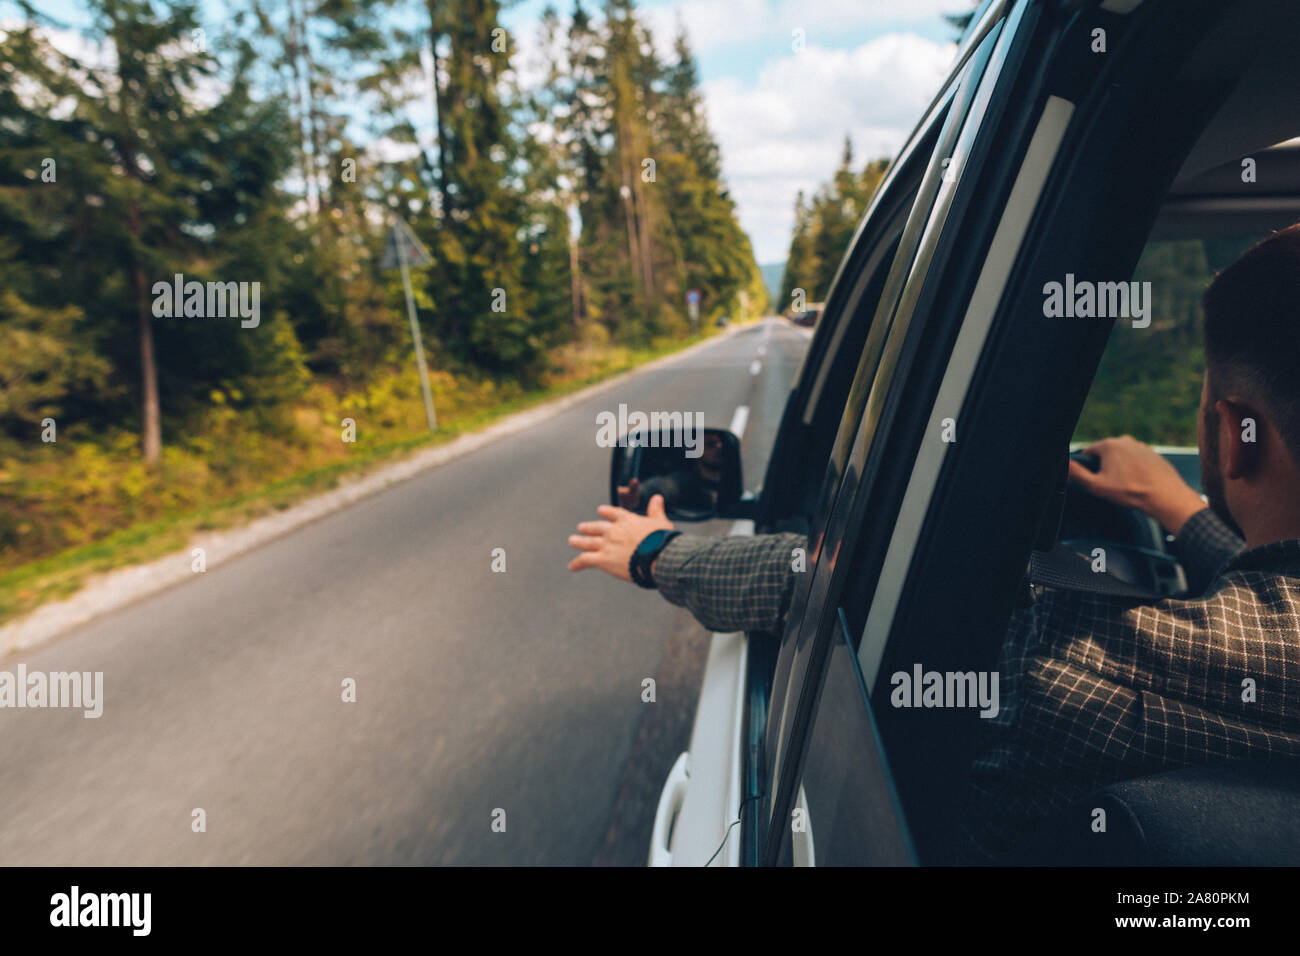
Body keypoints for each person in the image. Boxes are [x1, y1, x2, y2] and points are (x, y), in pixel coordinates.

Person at [569, 224, 1300, 860]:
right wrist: (1176, 509)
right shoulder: (1250, 654)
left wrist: (656, 552)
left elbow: (834, 577)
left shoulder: (1069, 662)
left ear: (1238, 439)